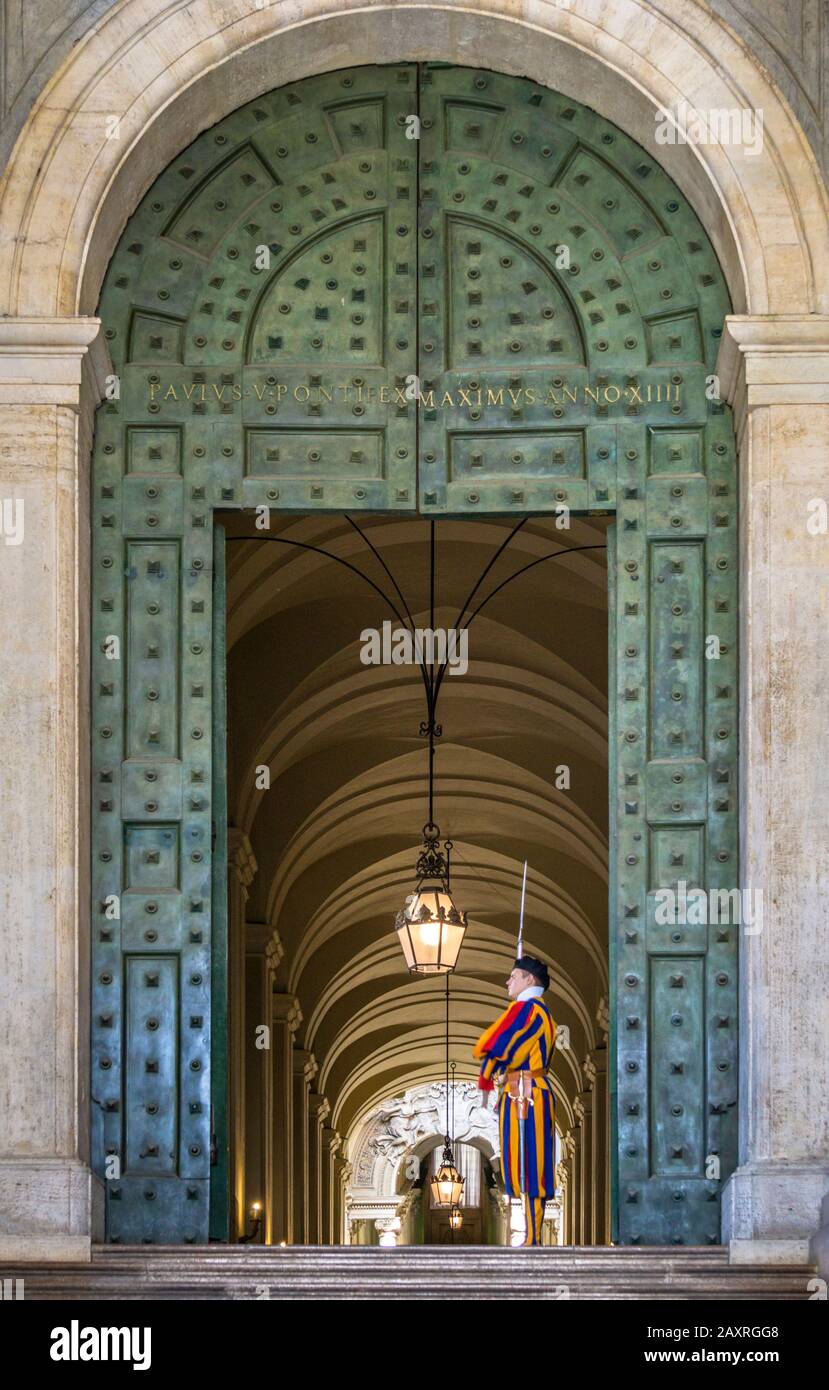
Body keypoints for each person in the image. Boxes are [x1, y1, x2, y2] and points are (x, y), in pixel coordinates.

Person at [472, 956, 556, 1246]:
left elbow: (509, 1044)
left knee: (531, 1164)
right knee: (519, 1166)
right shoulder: (526, 1010)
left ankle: (533, 1237)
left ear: (529, 980)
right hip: (517, 1091)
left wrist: (488, 1069)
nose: (508, 982)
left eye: (514, 976)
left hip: (528, 1093)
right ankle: (531, 1234)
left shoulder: (531, 1011)